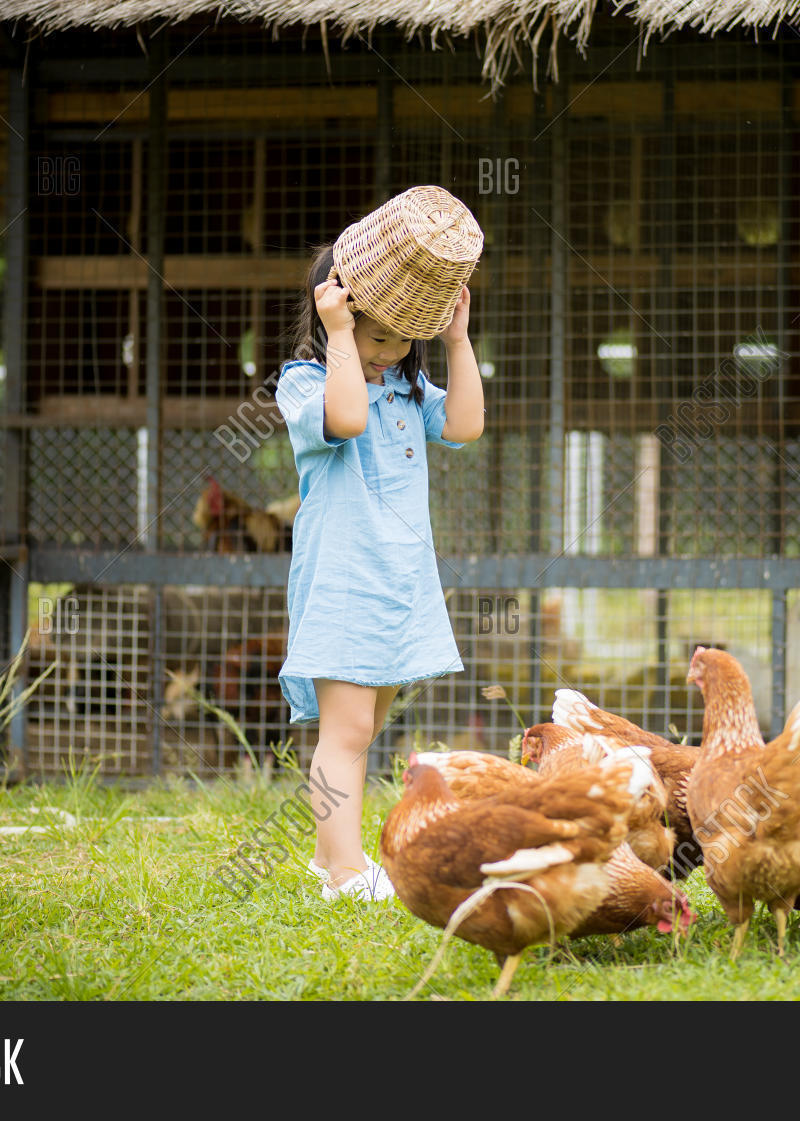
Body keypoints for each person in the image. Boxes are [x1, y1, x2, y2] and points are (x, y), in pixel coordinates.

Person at [274, 206, 484, 901]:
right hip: (343, 581)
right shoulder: (305, 382)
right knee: (347, 729)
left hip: (399, 581)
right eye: (378, 335)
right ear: (335, 314)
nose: (389, 352)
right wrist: (340, 336)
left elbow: (466, 426)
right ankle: (343, 872)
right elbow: (347, 417)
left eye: (403, 339)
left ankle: (330, 858)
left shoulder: (407, 388)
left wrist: (456, 340)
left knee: (364, 730)